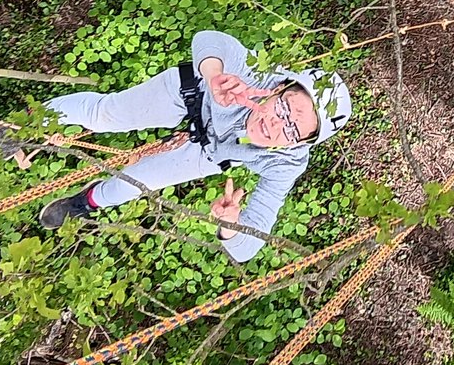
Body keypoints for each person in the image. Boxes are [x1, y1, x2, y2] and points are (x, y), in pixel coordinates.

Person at [23, 30, 350, 261]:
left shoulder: (287, 162)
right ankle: (29, 124)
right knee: (104, 115)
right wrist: (214, 76)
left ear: (302, 143)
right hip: (190, 93)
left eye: (293, 128)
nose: (275, 122)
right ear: (280, 86)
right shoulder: (259, 74)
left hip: (210, 150)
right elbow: (210, 40)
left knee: (132, 186)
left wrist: (230, 227)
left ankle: (85, 202)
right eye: (283, 107)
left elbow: (250, 246)